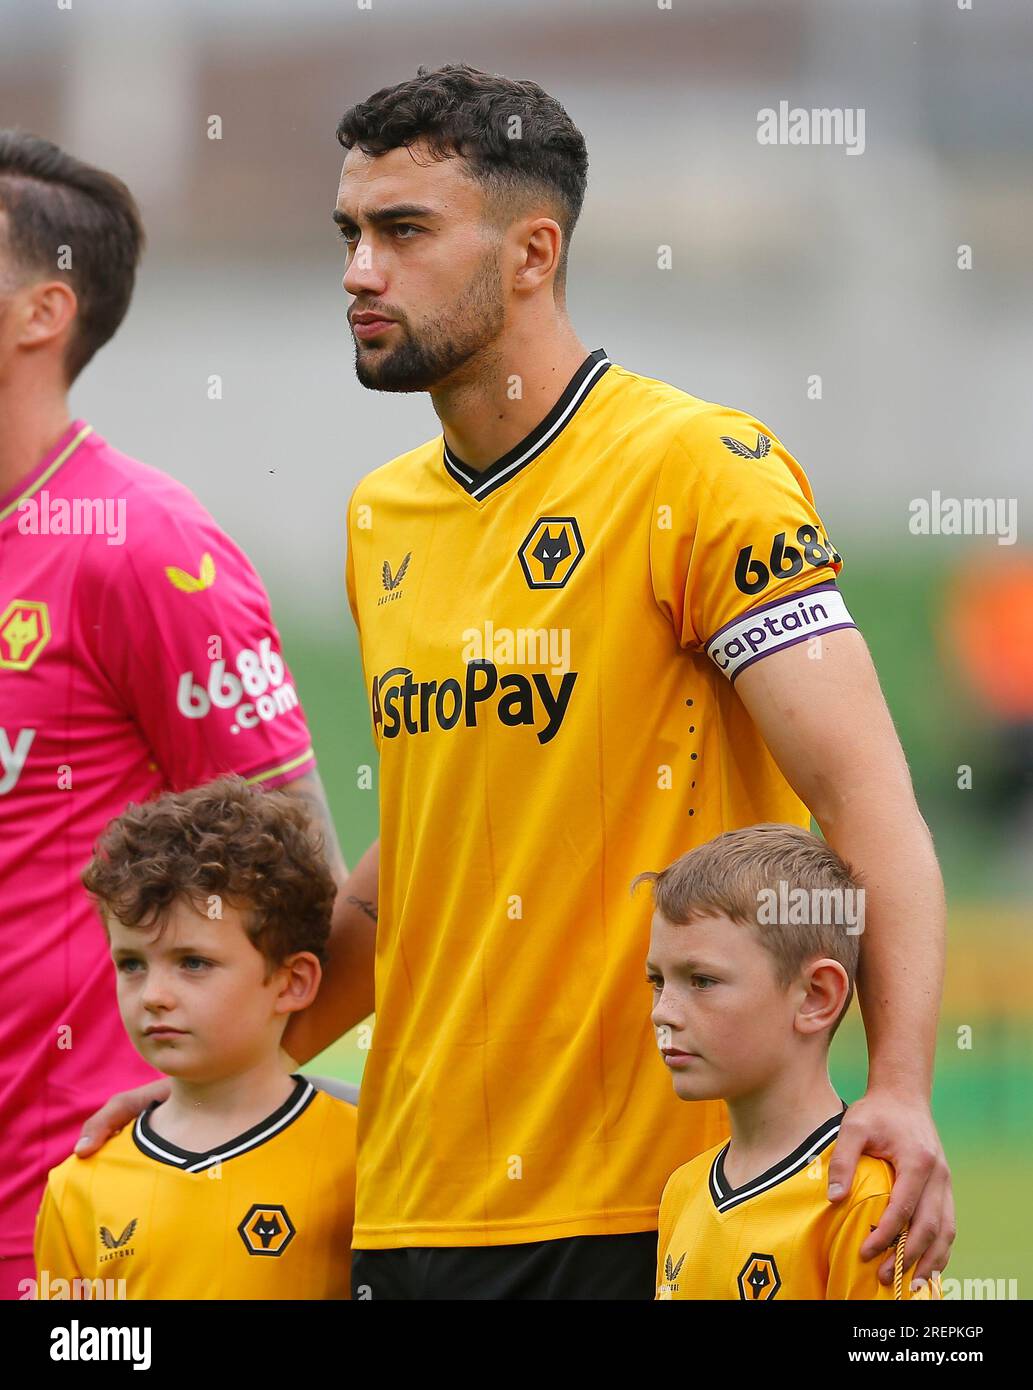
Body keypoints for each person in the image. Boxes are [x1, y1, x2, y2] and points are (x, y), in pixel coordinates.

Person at [79, 64, 953, 1301]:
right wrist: (225, 1069)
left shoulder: (697, 470)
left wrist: (904, 1087)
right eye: (348, 234)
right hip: (406, 1201)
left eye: (403, 232)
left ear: (533, 250)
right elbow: (427, 858)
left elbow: (868, 801)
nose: (358, 272)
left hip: (646, 1201)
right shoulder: (383, 517)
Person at [0, 130, 364, 1300]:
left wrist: (208, 1117)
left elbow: (296, 870)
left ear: (42, 310)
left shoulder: (141, 547)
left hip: (73, 1211)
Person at [32, 776, 356, 1300]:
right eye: (131, 963)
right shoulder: (79, 1187)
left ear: (292, 982)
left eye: (193, 963)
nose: (154, 995)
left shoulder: (368, 1153)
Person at [640, 824, 942, 1300]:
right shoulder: (682, 1191)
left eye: (701, 981)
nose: (663, 1012)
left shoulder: (866, 1199)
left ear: (816, 997)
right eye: (658, 981)